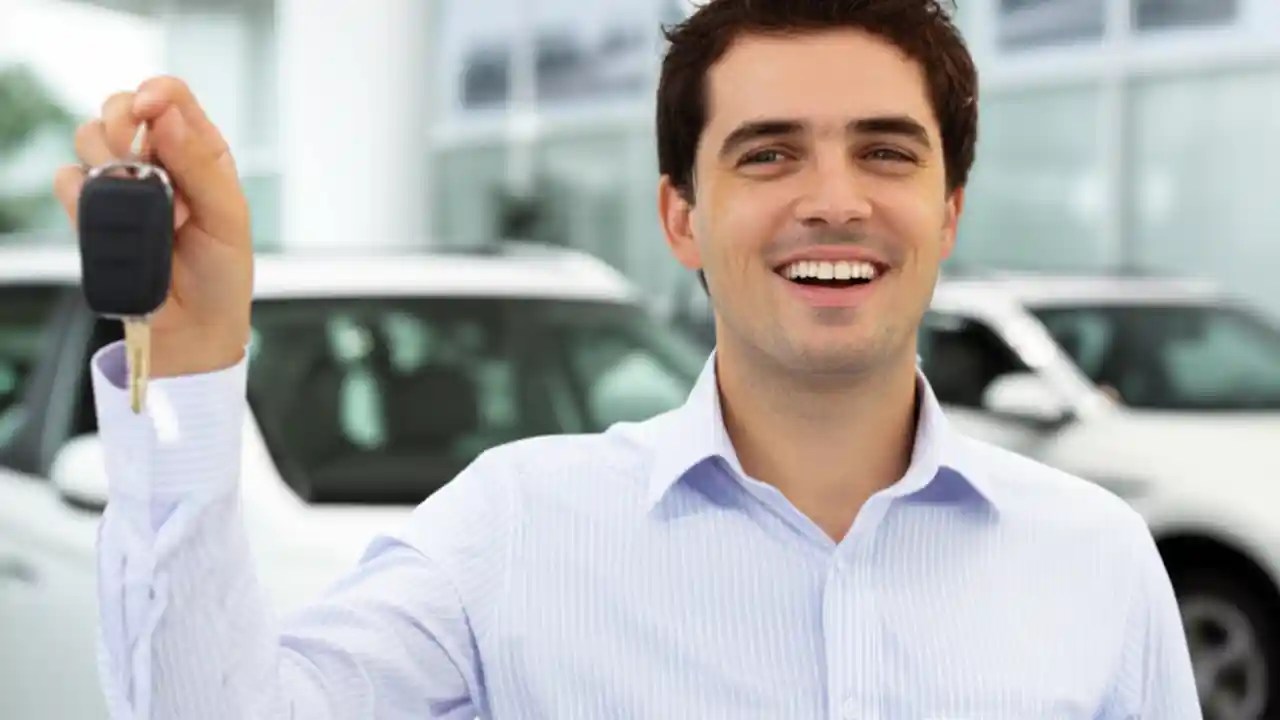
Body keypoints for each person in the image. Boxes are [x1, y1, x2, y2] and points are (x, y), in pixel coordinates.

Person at [54, 0, 1202, 717]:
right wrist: (191, 353)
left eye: (885, 153)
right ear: (679, 217)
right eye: (767, 157)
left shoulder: (1092, 561)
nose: (834, 201)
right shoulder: (512, 532)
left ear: (947, 211)